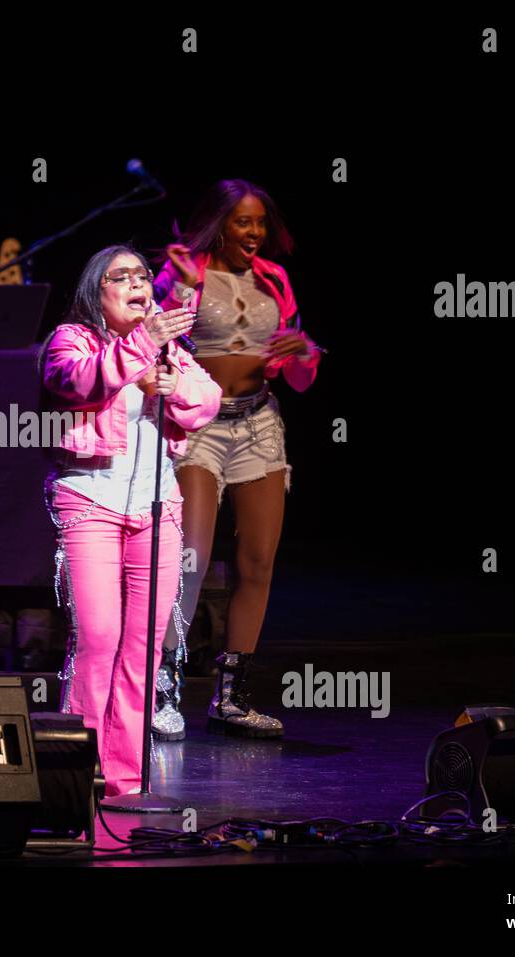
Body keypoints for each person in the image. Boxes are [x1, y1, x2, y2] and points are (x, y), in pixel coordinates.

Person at [40, 245, 221, 797]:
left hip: (156, 508)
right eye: (122, 277)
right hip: (89, 500)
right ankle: (79, 772)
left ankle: (124, 776)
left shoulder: (166, 349)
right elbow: (76, 383)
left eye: (143, 276)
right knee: (98, 636)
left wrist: (172, 384)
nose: (139, 284)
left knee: (142, 645)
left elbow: (206, 399)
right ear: (98, 293)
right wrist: (141, 352)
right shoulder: (72, 339)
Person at [150, 180, 322, 739]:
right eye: (243, 222)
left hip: (259, 426)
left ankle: (231, 698)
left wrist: (304, 353)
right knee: (192, 559)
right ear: (220, 223)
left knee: (258, 563)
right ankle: (162, 687)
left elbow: (296, 376)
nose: (254, 233)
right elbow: (153, 337)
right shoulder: (187, 270)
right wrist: (177, 286)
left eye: (261, 223)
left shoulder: (276, 280)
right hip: (198, 426)